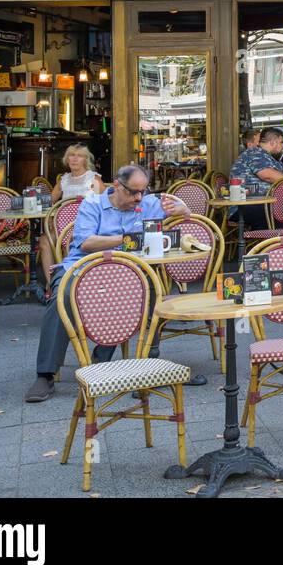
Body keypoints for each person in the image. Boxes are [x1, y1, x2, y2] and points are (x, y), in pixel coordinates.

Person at [26, 164, 188, 402]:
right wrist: (126, 240)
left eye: (143, 191)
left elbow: (186, 215)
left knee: (150, 290)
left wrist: (184, 209)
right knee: (62, 295)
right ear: (116, 185)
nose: (139, 197)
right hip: (83, 265)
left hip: (127, 271)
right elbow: (85, 242)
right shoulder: (92, 205)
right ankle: (45, 373)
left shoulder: (149, 203)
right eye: (133, 192)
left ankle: (147, 364)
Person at [39, 144, 105, 283]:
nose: (74, 159)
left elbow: (103, 204)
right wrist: (51, 218)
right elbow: (50, 201)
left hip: (87, 228)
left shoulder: (93, 178)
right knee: (45, 240)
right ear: (67, 159)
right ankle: (52, 284)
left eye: (79, 156)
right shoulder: (64, 180)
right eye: (71, 155)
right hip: (63, 227)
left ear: (85, 160)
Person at [229, 127, 283, 230]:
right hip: (243, 205)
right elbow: (267, 175)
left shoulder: (270, 157)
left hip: (260, 204)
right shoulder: (255, 153)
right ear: (273, 142)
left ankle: (282, 243)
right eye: (281, 142)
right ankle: (271, 244)